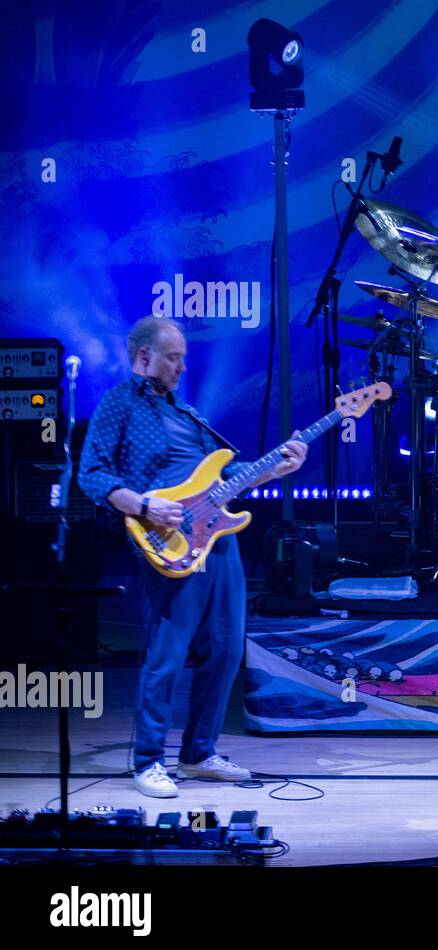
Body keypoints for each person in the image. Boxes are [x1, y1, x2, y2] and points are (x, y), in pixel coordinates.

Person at [79, 316, 307, 798]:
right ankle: (147, 761)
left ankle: (199, 753)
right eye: (173, 357)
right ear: (144, 358)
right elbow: (92, 474)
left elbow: (225, 477)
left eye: (183, 356)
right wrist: (142, 504)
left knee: (226, 648)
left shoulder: (188, 413)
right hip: (167, 538)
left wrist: (277, 467)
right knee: (169, 650)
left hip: (218, 539)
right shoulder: (119, 403)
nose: (182, 366)